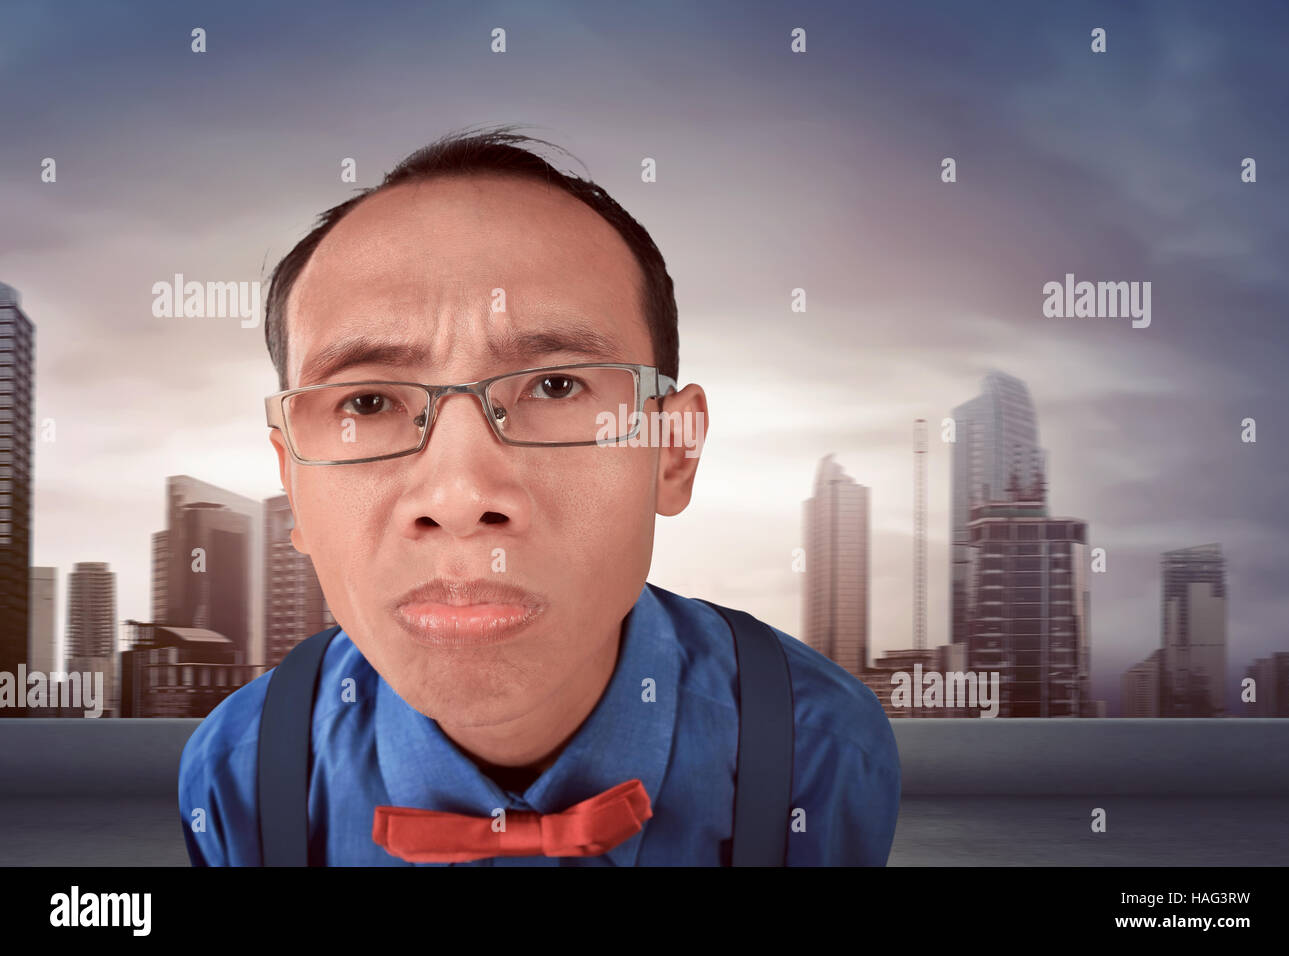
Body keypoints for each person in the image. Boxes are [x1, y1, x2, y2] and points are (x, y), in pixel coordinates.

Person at [177, 123, 900, 866]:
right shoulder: (239, 774)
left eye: (557, 386)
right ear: (291, 482)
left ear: (674, 453)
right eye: (366, 403)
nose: (460, 497)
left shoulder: (820, 750)